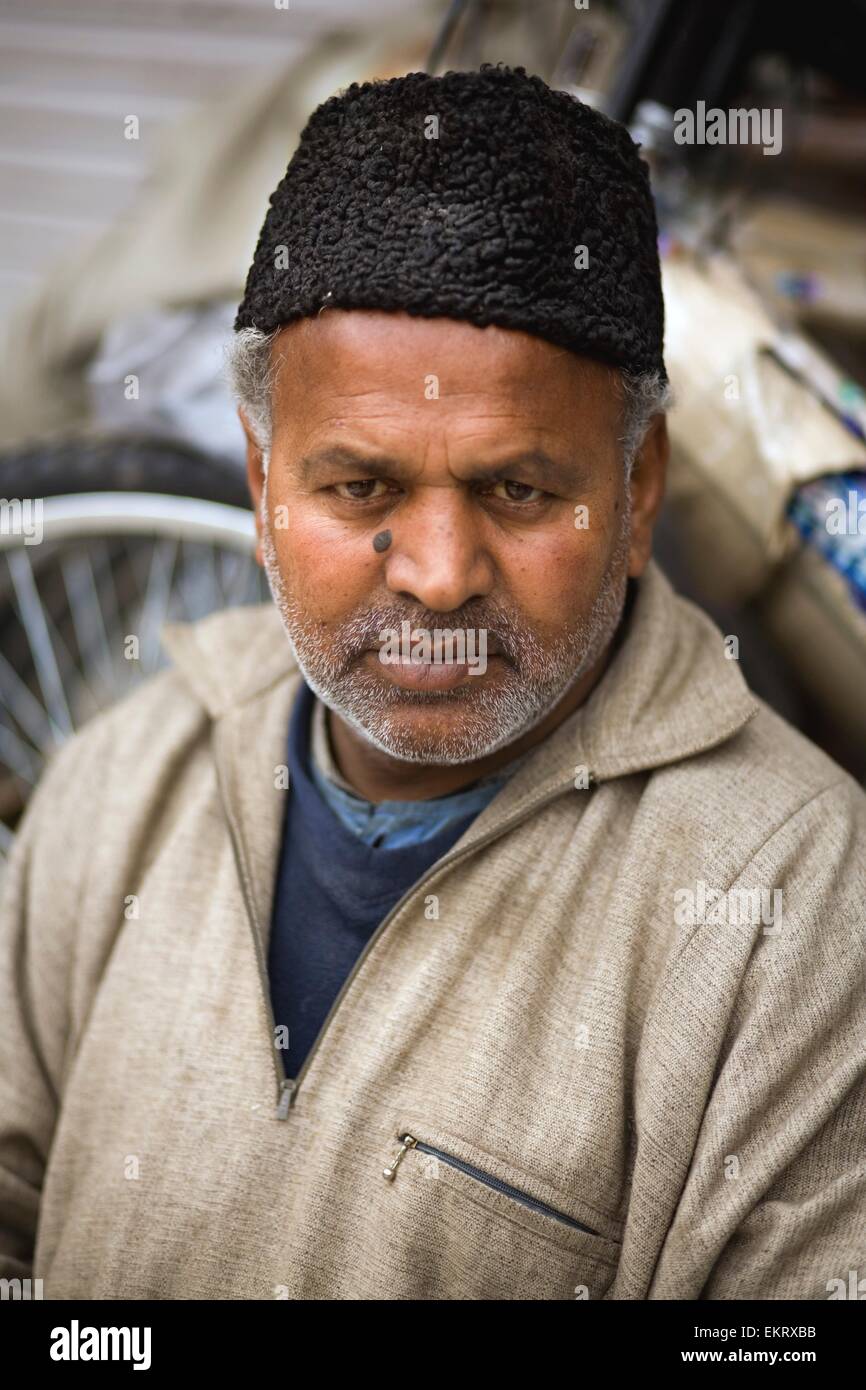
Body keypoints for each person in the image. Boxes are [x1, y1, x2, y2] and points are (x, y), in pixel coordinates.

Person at [1, 64, 864, 1301]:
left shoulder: (798, 912)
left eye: (517, 490)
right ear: (259, 488)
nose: (439, 575)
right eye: (359, 489)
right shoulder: (123, 779)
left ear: (637, 493)